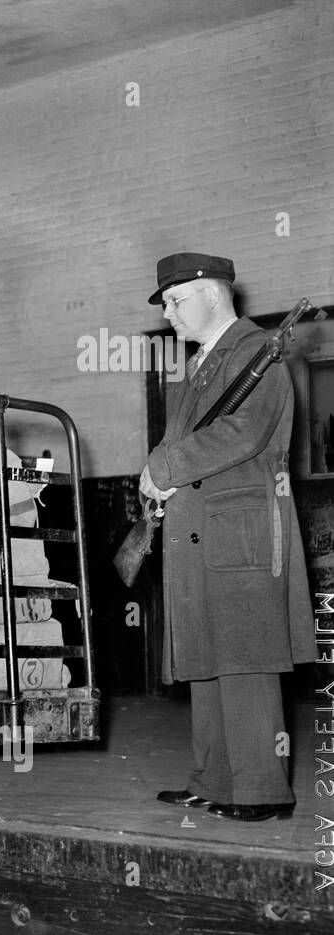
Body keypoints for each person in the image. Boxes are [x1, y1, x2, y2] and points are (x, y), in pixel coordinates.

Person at [143, 252, 316, 823]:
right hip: (198, 529)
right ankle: (216, 780)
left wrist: (162, 469)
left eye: (174, 301)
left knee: (245, 658)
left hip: (241, 528)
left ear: (211, 293)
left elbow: (241, 433)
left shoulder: (256, 353)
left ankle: (262, 789)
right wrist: (162, 486)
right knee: (207, 656)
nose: (169, 314)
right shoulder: (200, 365)